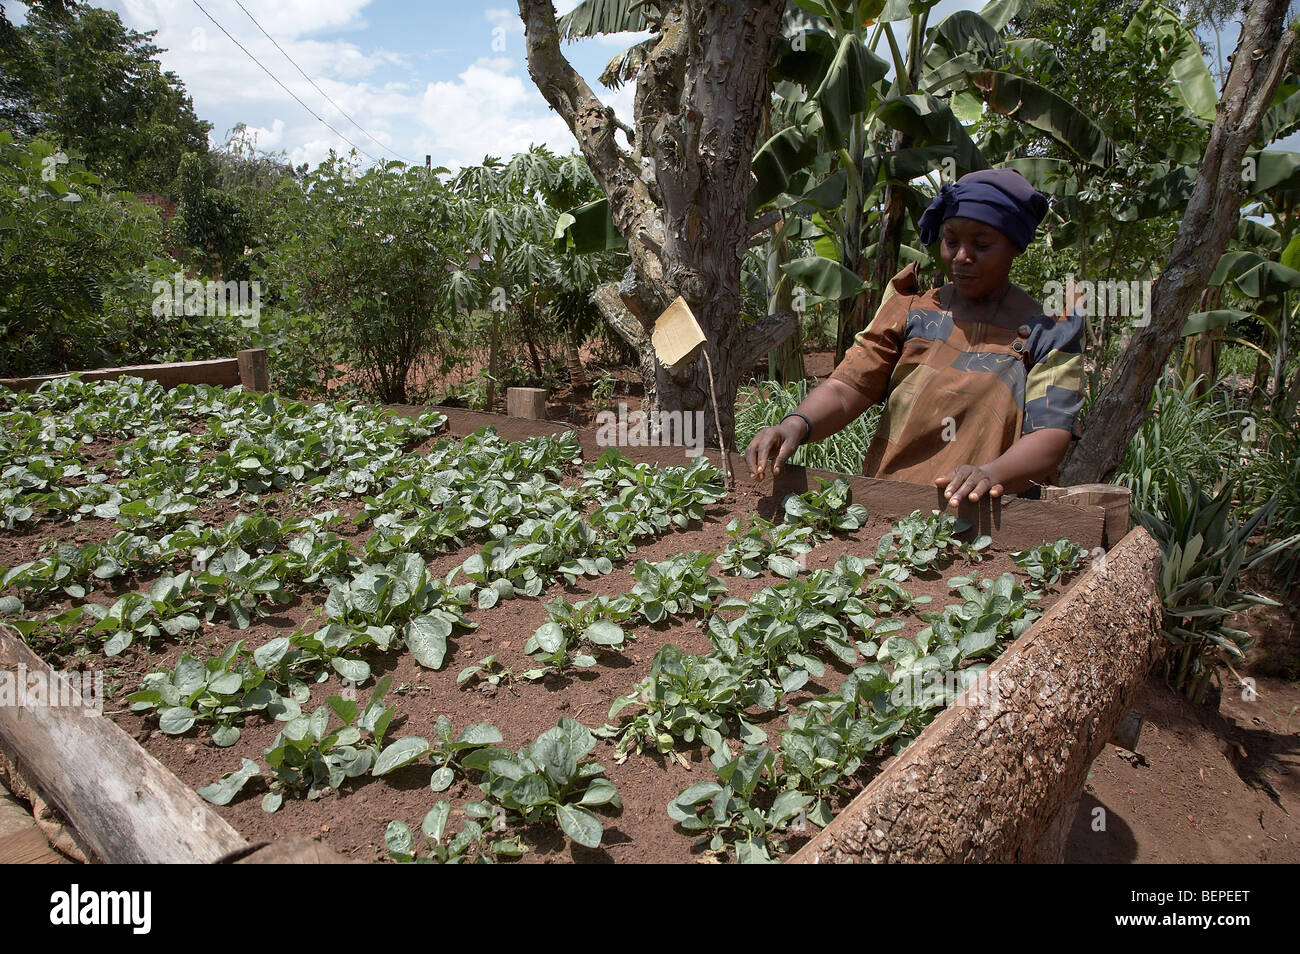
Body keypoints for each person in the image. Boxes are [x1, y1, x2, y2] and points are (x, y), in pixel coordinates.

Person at [745, 167, 1085, 508]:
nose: (962, 256)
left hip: (992, 516)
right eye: (951, 241)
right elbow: (849, 386)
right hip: (890, 504)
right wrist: (794, 425)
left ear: (1015, 246)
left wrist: (991, 474)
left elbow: (1049, 435)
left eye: (982, 244)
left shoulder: (1048, 332)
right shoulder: (912, 311)